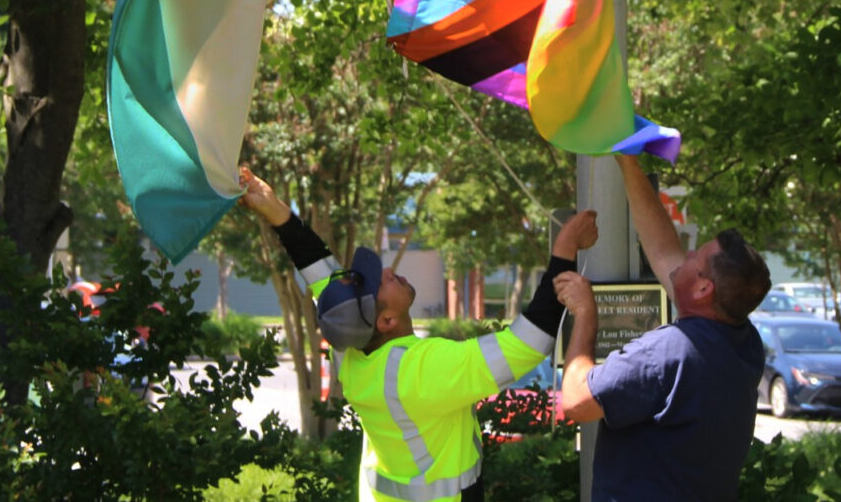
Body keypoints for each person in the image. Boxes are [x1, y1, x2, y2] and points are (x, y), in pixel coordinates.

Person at [239, 165, 597, 502]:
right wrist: (564, 250)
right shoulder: (423, 370)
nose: (390, 272)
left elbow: (320, 271)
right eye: (380, 283)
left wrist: (276, 213)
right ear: (387, 322)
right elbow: (528, 343)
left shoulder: (349, 346)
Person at [554, 153, 771, 502]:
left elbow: (577, 401)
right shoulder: (742, 340)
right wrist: (627, 161)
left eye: (695, 257)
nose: (684, 256)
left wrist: (586, 313)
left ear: (703, 289)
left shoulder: (672, 349)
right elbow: (662, 247)